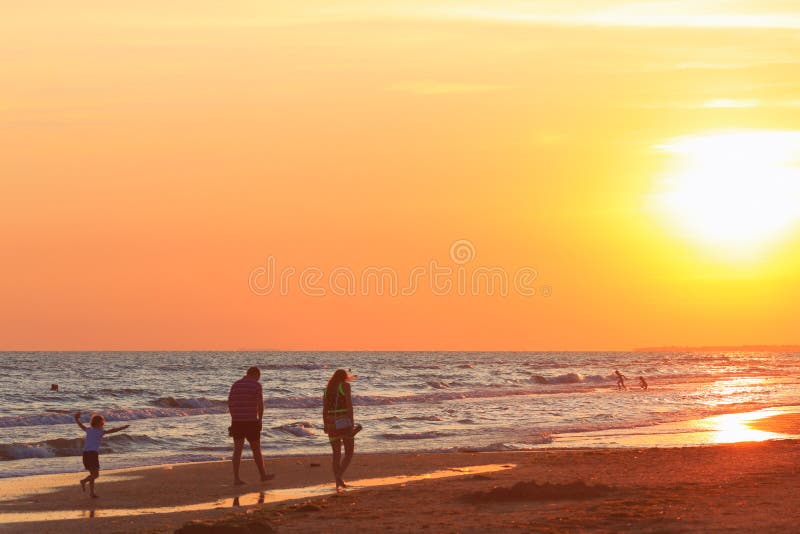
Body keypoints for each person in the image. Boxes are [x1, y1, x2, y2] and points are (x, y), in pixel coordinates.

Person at [228, 366, 272, 485]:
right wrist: (260, 419)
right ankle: (262, 475)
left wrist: (234, 418)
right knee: (256, 448)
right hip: (251, 421)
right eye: (258, 377)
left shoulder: (235, 385)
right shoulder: (256, 385)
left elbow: (230, 403)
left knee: (237, 449)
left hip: (237, 421)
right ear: (256, 375)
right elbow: (260, 404)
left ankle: (236, 478)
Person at [322, 369, 362, 491]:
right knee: (349, 452)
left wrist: (325, 424)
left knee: (336, 454)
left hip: (331, 422)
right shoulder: (345, 386)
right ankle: (339, 476)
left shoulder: (327, 389)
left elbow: (324, 409)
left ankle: (337, 482)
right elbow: (349, 406)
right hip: (343, 421)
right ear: (344, 377)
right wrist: (352, 422)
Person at [74, 412, 130, 498]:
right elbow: (113, 430)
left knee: (92, 474)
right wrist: (123, 427)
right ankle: (84, 481)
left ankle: (92, 493)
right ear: (97, 423)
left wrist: (77, 419)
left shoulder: (89, 430)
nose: (102, 423)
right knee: (95, 475)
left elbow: (80, 425)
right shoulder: (100, 432)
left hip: (85, 454)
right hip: (92, 454)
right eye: (101, 421)